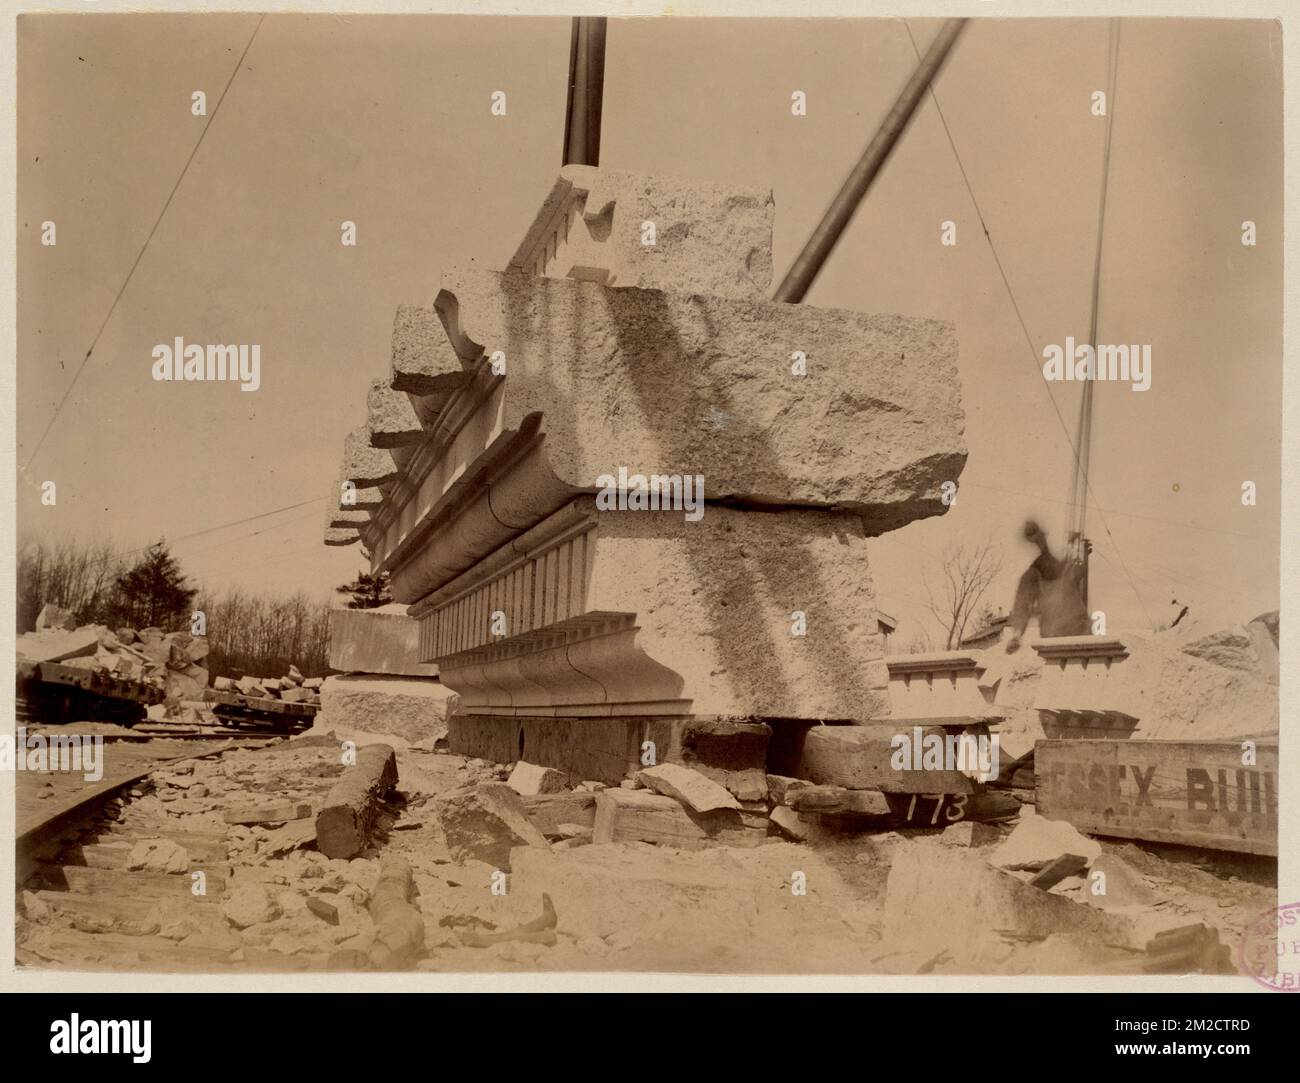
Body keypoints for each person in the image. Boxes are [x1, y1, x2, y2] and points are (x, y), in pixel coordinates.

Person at [1005, 519, 1089, 652]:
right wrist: (1016, 635)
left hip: (1079, 632)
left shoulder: (1069, 565)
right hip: (1054, 637)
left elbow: (1079, 572)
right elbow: (1022, 606)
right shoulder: (1032, 575)